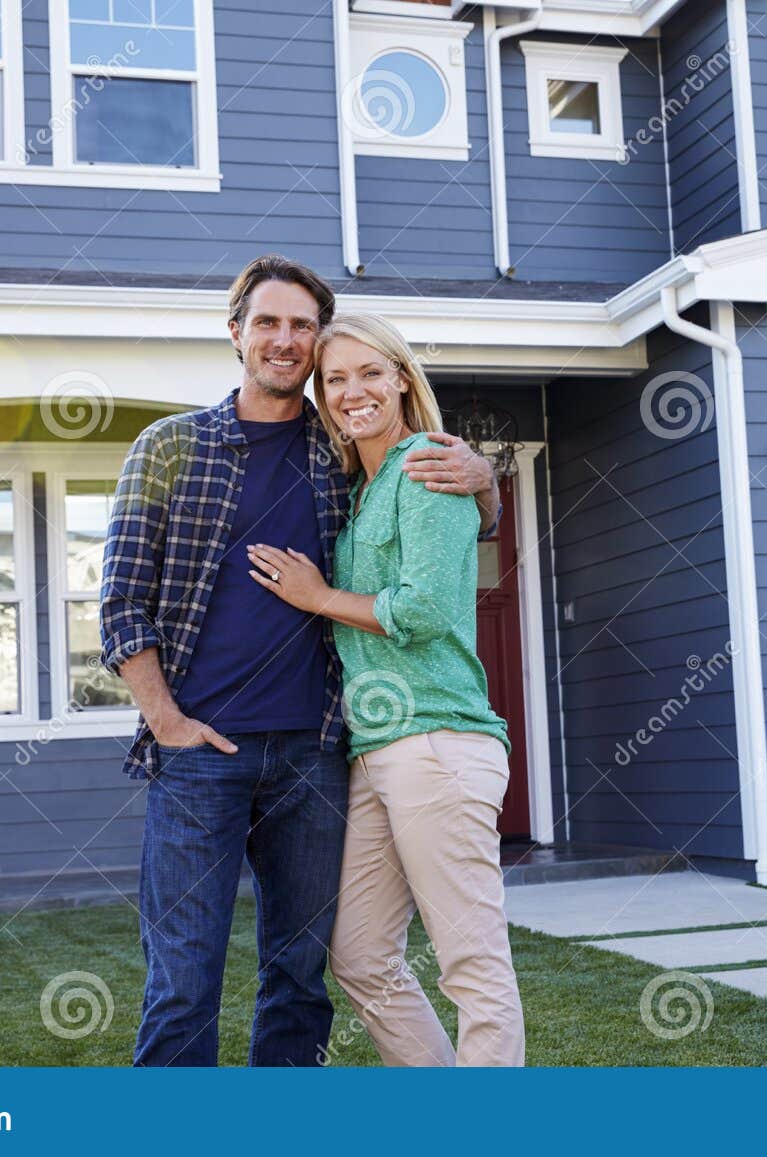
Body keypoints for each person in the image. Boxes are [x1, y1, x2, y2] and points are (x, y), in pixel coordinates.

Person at [99, 257, 498, 1066]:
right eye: (269, 322)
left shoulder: (345, 445)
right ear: (236, 331)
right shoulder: (169, 447)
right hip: (199, 753)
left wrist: (485, 481)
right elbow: (119, 602)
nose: (286, 340)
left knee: (300, 975)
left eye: (302, 326)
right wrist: (166, 721)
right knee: (183, 979)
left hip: (316, 754)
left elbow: (436, 524)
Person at [246, 313, 525, 1067]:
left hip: (436, 739)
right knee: (361, 954)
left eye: (370, 372)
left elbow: (426, 610)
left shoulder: (425, 467)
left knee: (470, 962)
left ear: (403, 376)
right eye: (334, 379)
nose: (352, 391)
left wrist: (316, 595)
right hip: (375, 751)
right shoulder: (364, 486)